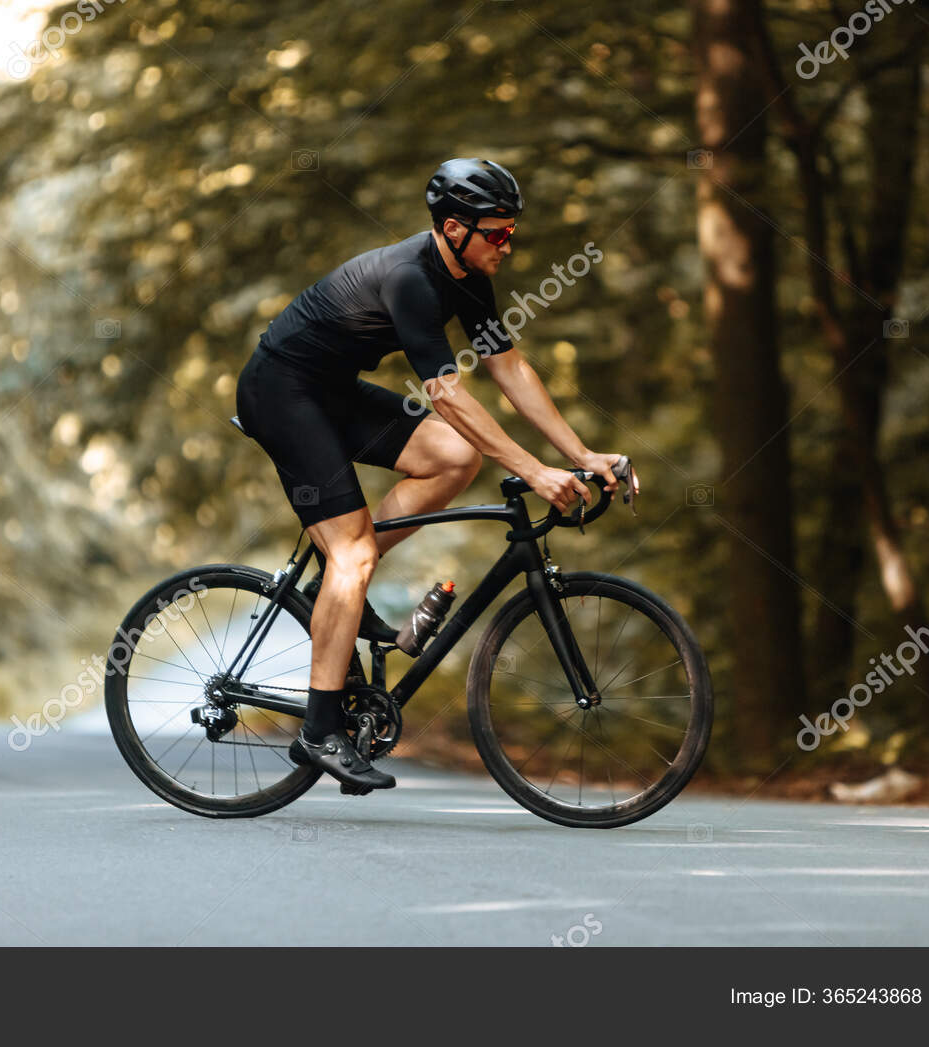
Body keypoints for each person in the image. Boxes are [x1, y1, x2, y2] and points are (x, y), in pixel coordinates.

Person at [232, 157, 637, 792]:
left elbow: (510, 370)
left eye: (511, 232)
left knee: (453, 457)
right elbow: (446, 394)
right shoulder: (411, 279)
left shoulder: (471, 277)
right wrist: (533, 470)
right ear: (454, 228)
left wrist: (581, 455)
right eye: (497, 233)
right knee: (354, 554)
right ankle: (318, 730)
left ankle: (334, 589)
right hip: (279, 392)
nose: (509, 244)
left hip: (330, 390)